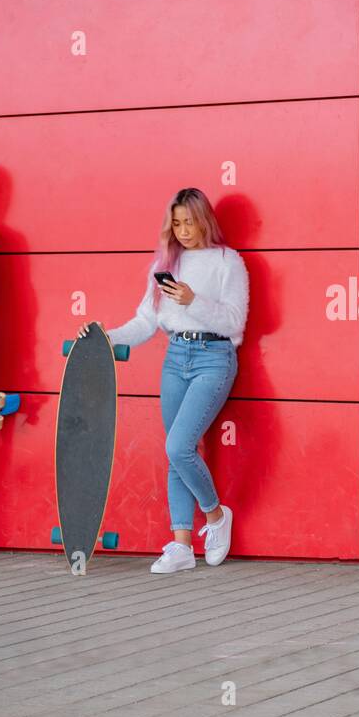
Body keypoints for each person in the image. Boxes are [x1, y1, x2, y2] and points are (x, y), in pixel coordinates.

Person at [81, 188, 249, 574]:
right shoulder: (166, 262)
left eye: (189, 222)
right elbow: (145, 322)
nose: (184, 230)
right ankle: (181, 545)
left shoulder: (228, 262)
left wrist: (193, 301)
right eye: (177, 223)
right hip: (176, 357)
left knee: (179, 446)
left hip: (214, 357)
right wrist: (105, 336)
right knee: (176, 453)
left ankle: (217, 515)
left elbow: (234, 323)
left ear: (204, 219)